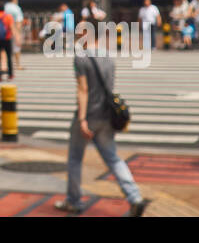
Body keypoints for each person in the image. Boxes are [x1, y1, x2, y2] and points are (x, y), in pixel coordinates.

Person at [56, 21, 148, 216]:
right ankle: (135, 197)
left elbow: (83, 89)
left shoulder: (81, 58)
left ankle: (73, 201)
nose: (77, 33)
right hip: (106, 116)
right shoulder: (108, 56)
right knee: (113, 158)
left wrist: (82, 119)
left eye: (80, 30)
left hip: (89, 116)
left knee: (74, 158)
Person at [4, 0, 25, 70]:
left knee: (5, 49)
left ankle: (5, 65)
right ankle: (18, 64)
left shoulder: (4, 7)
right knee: (16, 48)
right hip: (14, 30)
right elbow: (19, 21)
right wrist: (18, 33)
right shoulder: (16, 8)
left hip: (4, 30)